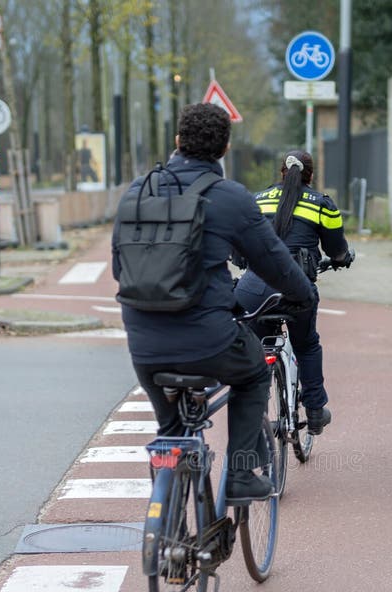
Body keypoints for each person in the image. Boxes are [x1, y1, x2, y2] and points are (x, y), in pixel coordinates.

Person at [111, 103, 315, 503]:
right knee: (254, 372)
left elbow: (121, 266)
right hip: (210, 342)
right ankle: (240, 473)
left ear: (176, 142)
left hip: (145, 347)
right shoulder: (230, 197)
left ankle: (168, 520)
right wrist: (304, 295)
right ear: (225, 148)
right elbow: (275, 263)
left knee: (171, 431)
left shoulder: (137, 191)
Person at [233, 150, 353, 435]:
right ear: (310, 175)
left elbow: (238, 244)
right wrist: (341, 259)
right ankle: (314, 411)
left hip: (253, 288)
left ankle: (253, 415)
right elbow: (337, 249)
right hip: (295, 290)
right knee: (307, 344)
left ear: (281, 173)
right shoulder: (323, 204)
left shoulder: (256, 200)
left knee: (254, 348)